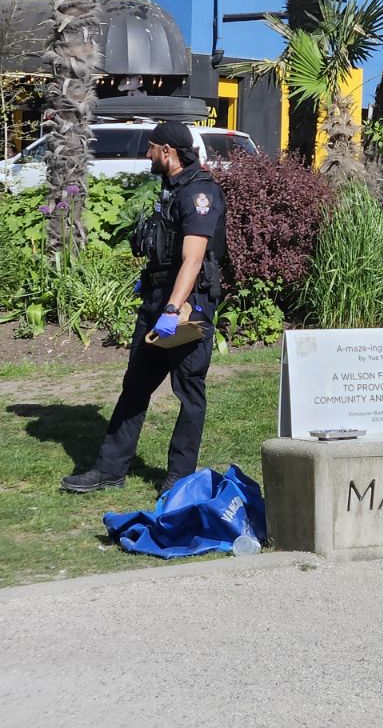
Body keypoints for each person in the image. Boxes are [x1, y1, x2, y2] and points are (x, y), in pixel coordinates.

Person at [62, 120, 227, 495]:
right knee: (135, 385)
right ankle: (110, 469)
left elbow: (193, 259)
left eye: (152, 148)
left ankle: (179, 476)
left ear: (168, 152)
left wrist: (172, 309)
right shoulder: (170, 189)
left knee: (188, 392)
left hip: (187, 306)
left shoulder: (199, 193)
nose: (148, 154)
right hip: (157, 297)